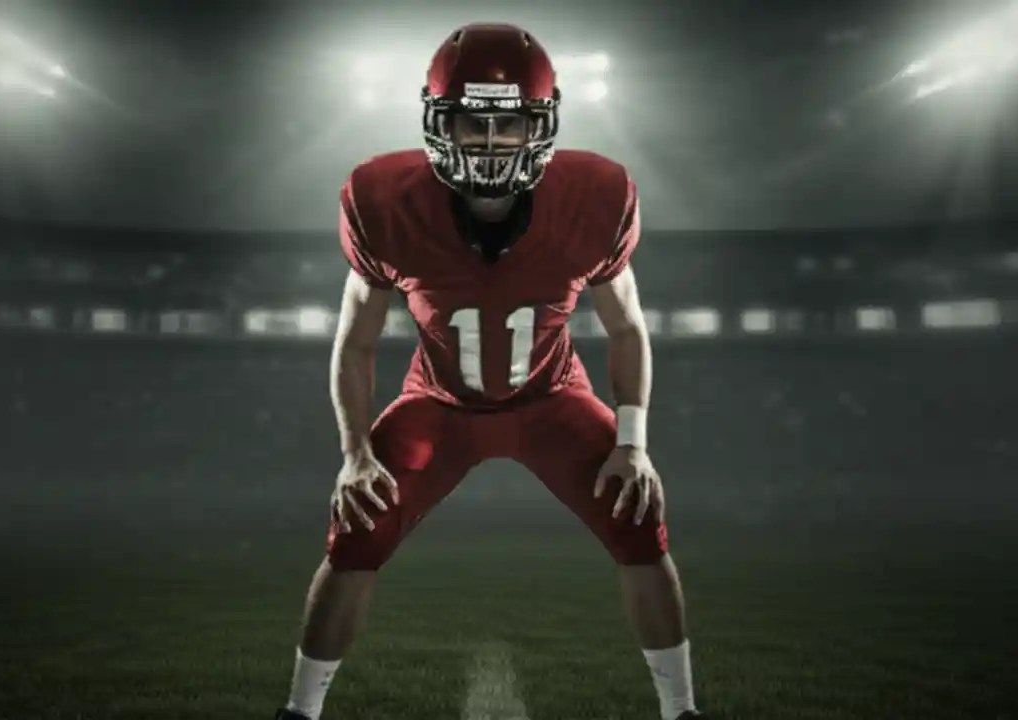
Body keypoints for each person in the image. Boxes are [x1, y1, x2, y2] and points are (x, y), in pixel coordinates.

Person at [276, 22, 704, 720]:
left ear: (542, 124)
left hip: (551, 397)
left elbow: (627, 325)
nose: (490, 141)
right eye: (472, 122)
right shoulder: (382, 200)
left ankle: (682, 710)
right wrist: (353, 454)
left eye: (510, 124)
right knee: (356, 530)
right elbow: (354, 340)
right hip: (438, 403)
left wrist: (632, 442)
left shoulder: (596, 196)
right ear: (438, 119)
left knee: (639, 517)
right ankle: (298, 711)